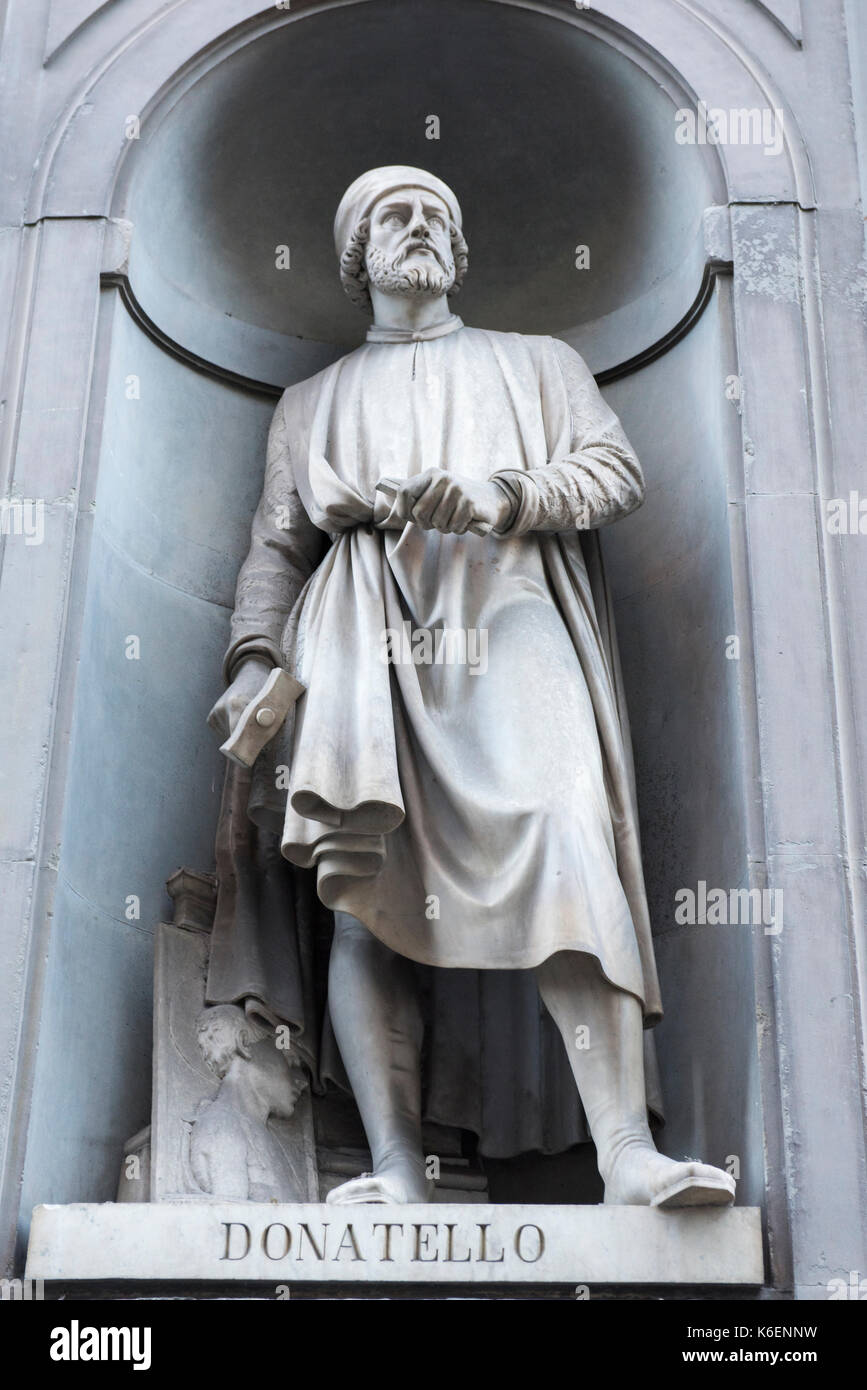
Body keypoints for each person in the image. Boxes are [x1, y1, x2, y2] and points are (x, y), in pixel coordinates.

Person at [208, 166, 734, 1209]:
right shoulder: (311, 402)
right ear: (358, 256)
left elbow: (613, 472)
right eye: (395, 217)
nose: (420, 228)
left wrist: (501, 493)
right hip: (360, 629)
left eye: (438, 216)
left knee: (563, 834)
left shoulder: (535, 363)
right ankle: (399, 1166)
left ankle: (623, 1150)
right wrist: (256, 659)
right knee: (363, 894)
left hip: (506, 612)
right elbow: (277, 545)